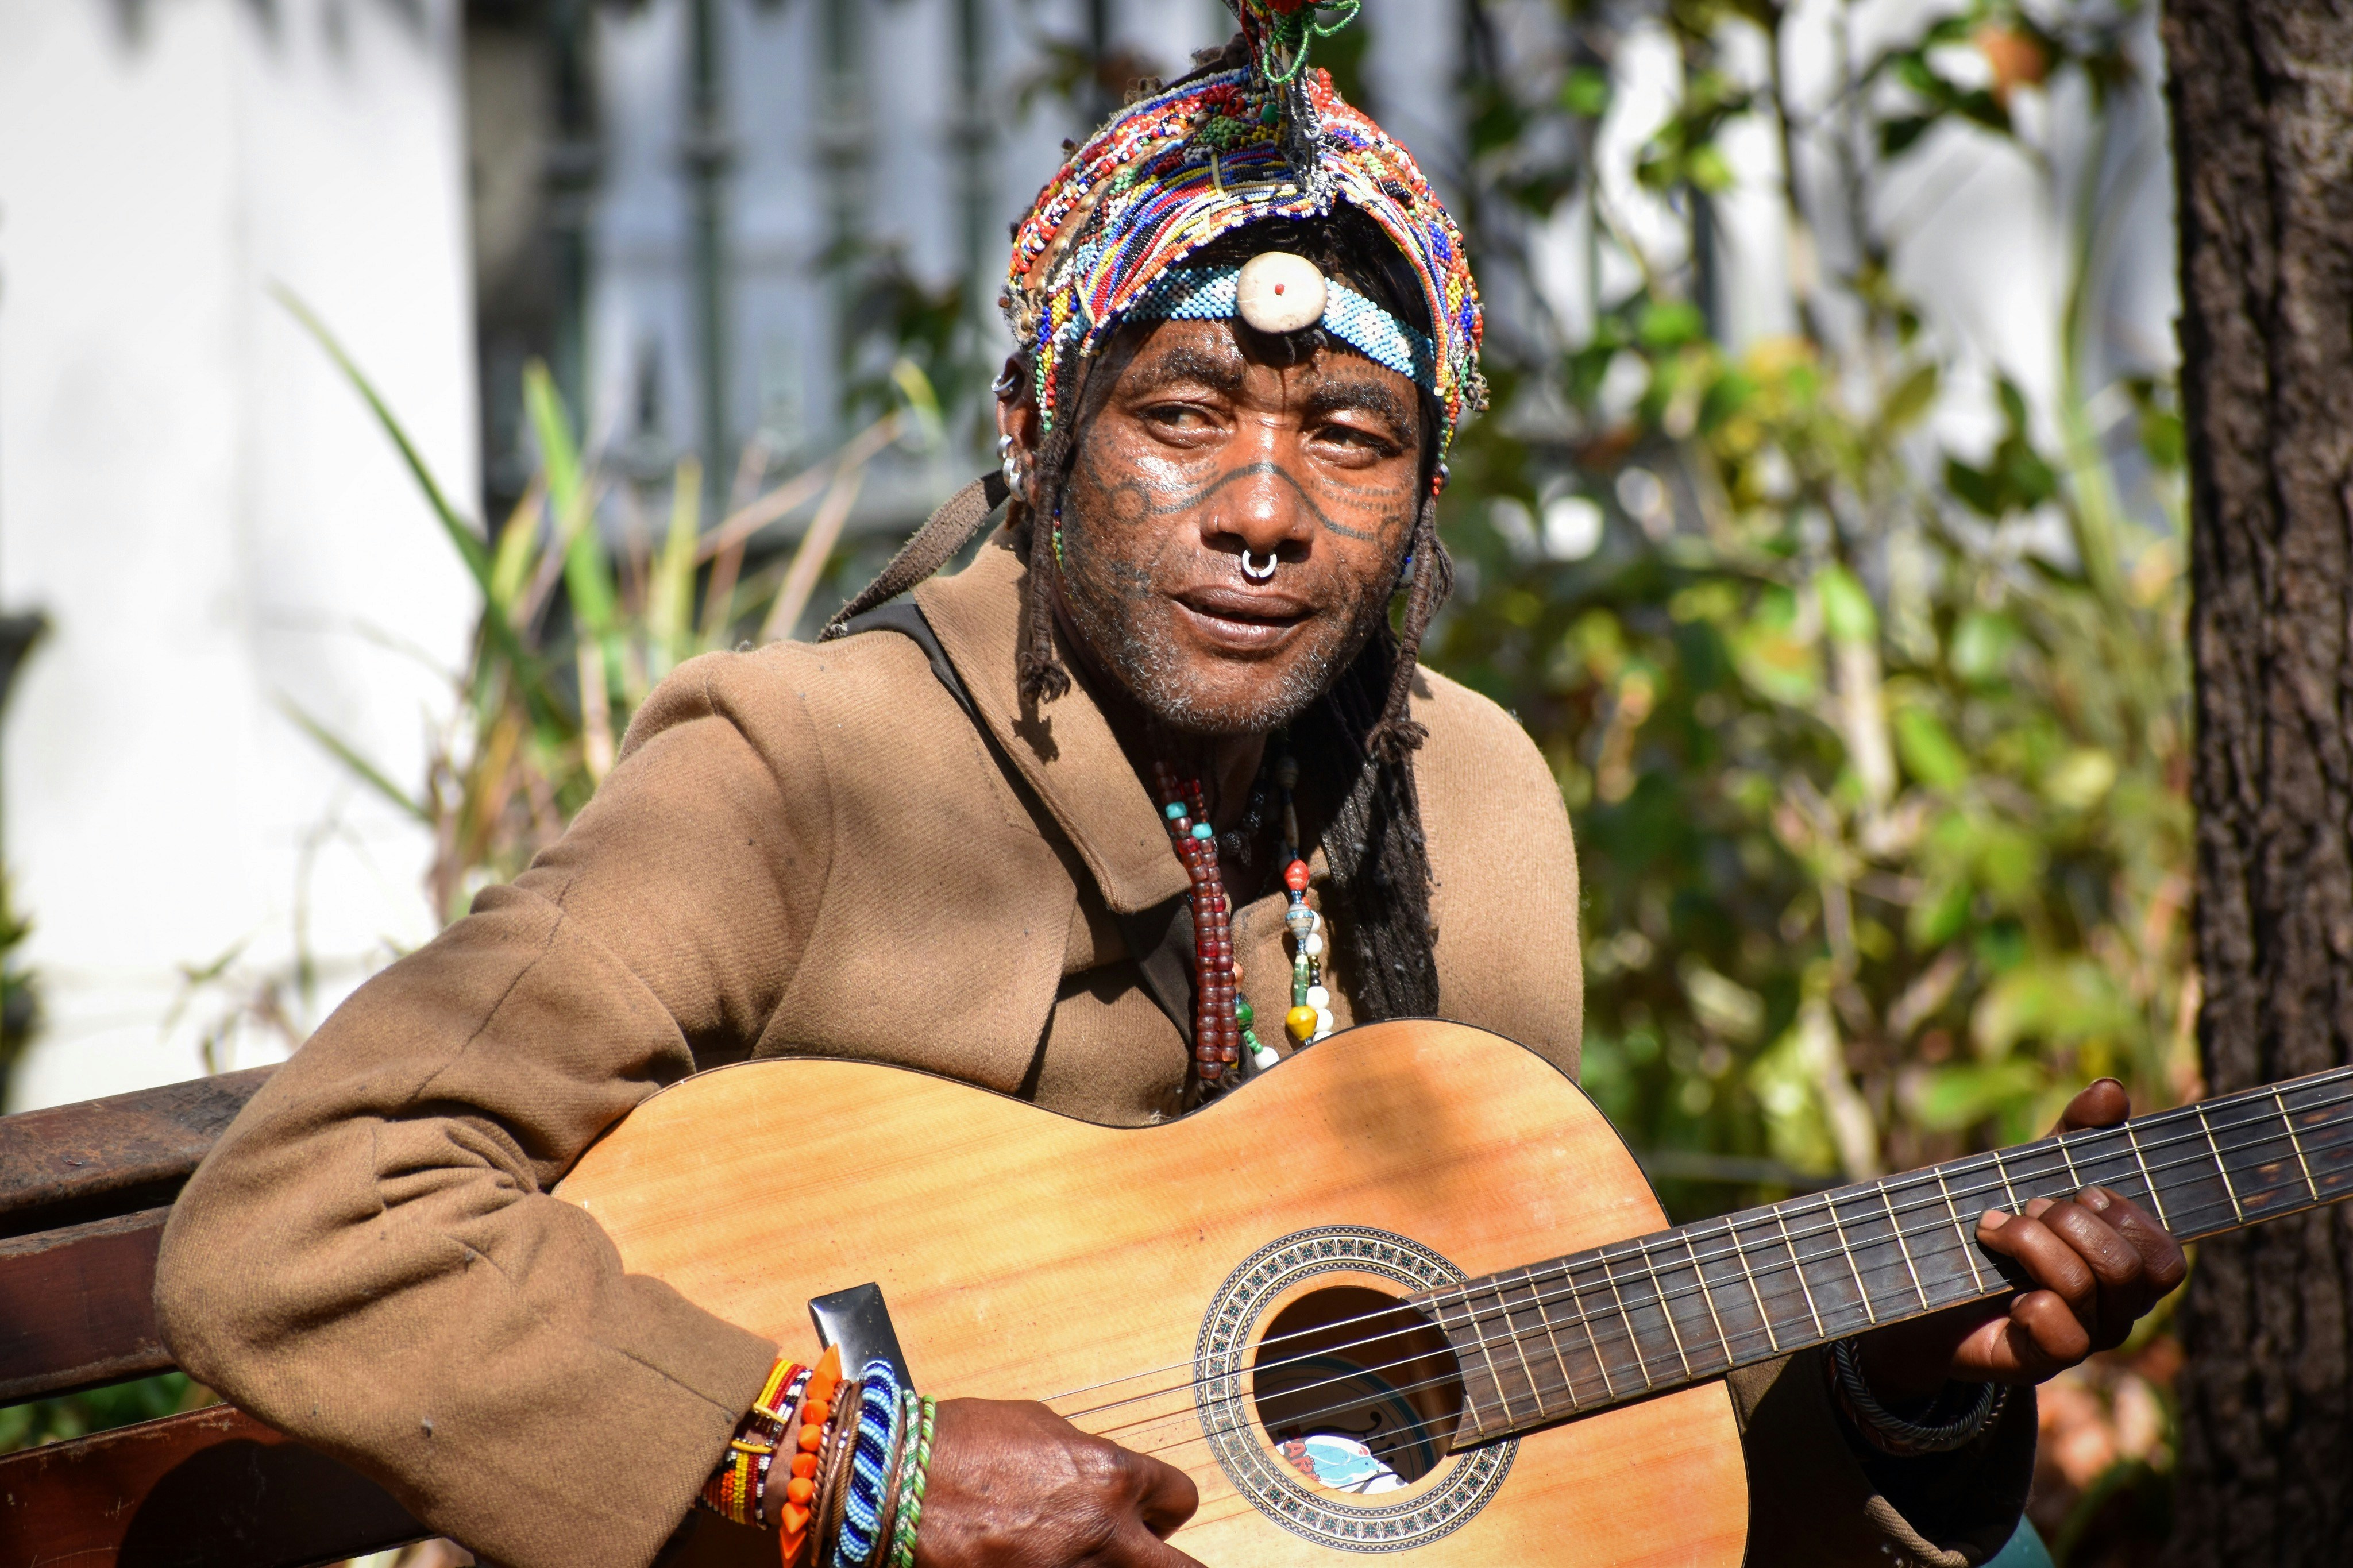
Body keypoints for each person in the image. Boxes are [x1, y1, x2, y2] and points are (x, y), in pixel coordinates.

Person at [154, 9, 2185, 1568]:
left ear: (1425, 494)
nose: (1268, 514)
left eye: (1354, 436)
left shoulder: (1464, 806)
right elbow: (309, 1220)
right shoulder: (803, 772)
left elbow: (1557, 1485)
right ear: (1048, 443)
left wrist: (1909, 1379)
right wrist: (866, 1474)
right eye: (1183, 415)